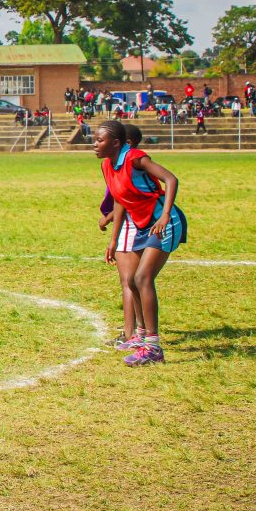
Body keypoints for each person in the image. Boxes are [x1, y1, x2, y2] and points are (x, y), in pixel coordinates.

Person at [94, 120, 185, 367]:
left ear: (115, 143)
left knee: (142, 278)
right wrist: (113, 235)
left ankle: (153, 348)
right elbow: (121, 199)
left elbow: (171, 179)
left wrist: (165, 215)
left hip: (164, 222)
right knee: (132, 279)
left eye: (99, 140)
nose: (94, 144)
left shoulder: (135, 158)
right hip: (142, 225)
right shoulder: (107, 166)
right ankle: (140, 337)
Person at [99, 124, 144, 347]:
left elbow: (125, 200)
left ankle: (132, 333)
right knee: (131, 281)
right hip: (129, 222)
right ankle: (135, 330)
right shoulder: (111, 165)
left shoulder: (130, 164)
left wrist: (110, 224)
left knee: (130, 281)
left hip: (133, 223)